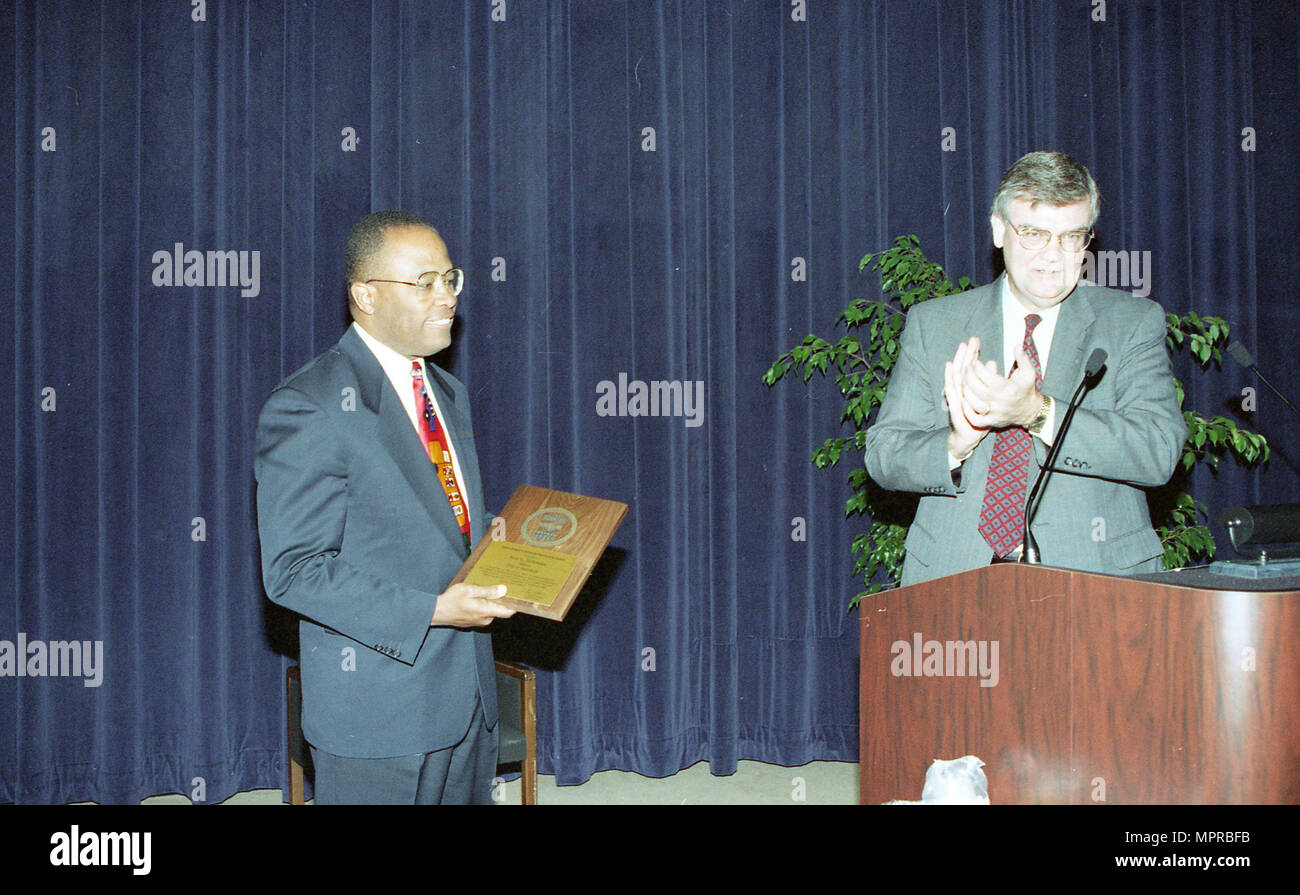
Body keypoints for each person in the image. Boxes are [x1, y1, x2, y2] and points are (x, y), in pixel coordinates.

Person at [255, 210, 514, 804]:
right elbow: (294, 571)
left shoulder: (445, 391)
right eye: (424, 283)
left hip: (468, 699)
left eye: (450, 278)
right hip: (379, 716)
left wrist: (503, 539)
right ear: (365, 296)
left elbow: (437, 521)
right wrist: (436, 611)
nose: (446, 296)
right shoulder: (309, 404)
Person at [864, 151, 1186, 586]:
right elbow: (885, 456)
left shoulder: (1131, 323)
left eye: (1071, 237)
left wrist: (1038, 412)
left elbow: (1158, 451)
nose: (1053, 256)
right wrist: (957, 443)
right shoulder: (935, 324)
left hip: (1095, 585)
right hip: (953, 581)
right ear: (999, 230)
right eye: (1034, 234)